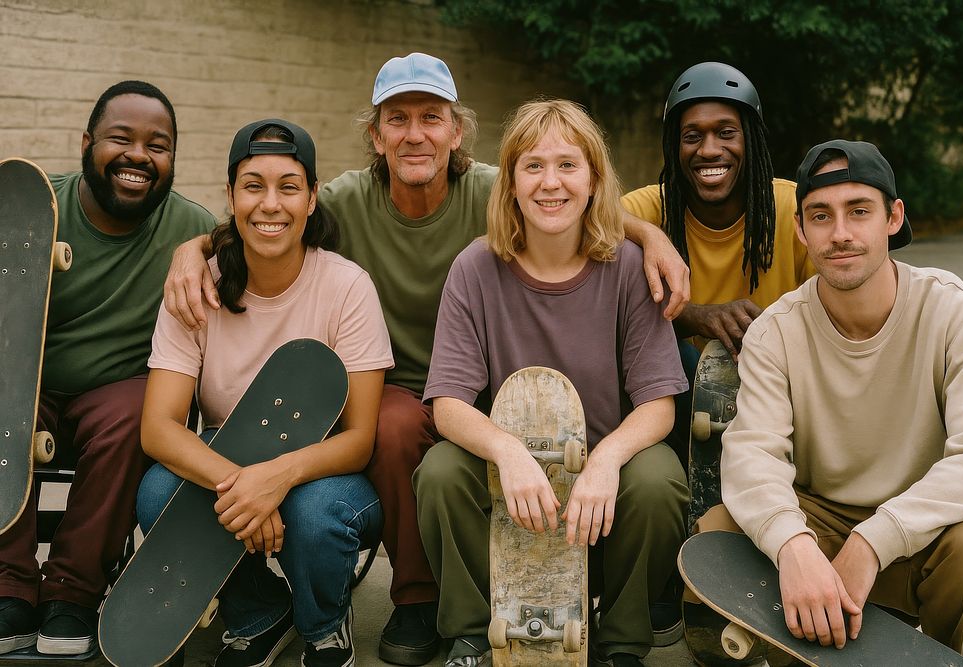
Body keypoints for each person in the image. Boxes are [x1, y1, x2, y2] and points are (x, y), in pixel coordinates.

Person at [161, 53, 691, 666]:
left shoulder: (504, 190)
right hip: (418, 391)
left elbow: (571, 203)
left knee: (653, 479)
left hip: (496, 399)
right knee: (412, 440)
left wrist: (649, 235)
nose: (415, 133)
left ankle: (621, 637)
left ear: (457, 131)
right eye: (398, 118)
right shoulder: (353, 203)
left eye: (432, 117)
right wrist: (193, 248)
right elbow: (271, 216)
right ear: (376, 135)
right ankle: (429, 606)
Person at [689, 139, 963, 666]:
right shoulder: (777, 332)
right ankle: (801, 652)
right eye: (821, 215)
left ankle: (945, 660)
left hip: (923, 526)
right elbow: (753, 456)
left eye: (859, 211)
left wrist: (875, 540)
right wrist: (793, 545)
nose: (840, 234)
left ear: (893, 218)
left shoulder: (955, 313)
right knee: (720, 532)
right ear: (800, 230)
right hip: (820, 518)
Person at [413, 99, 690, 667]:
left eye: (568, 165)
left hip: (600, 483)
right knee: (440, 471)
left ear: (593, 180)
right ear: (510, 182)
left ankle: (621, 641)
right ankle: (469, 634)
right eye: (533, 166)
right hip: (509, 475)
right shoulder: (475, 267)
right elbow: (447, 406)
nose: (551, 183)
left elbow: (659, 405)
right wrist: (506, 451)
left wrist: (607, 460)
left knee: (660, 479)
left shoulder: (630, 267)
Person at [136, 119, 393, 667]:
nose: (269, 204)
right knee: (159, 493)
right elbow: (158, 427)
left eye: (288, 186)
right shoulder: (195, 287)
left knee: (313, 508)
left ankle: (325, 626)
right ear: (229, 196)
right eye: (253, 185)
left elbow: (359, 440)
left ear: (312, 198)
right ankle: (258, 613)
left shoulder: (347, 286)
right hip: (230, 460)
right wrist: (244, 486)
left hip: (329, 477)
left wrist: (277, 479)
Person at [0, 80, 217, 657]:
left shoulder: (189, 226)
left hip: (116, 397)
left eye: (159, 145)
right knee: (2, 395)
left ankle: (72, 593)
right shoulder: (37, 205)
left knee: (135, 414)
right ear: (85, 144)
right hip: (31, 386)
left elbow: (240, 239)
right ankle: (10, 589)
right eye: (120, 138)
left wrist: (195, 247)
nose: (139, 156)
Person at [622, 61, 814, 360]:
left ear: (750, 141)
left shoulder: (793, 207)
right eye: (692, 136)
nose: (709, 150)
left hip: (782, 378)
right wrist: (650, 235)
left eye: (726, 133)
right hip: (680, 389)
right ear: (675, 146)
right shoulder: (653, 209)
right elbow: (588, 214)